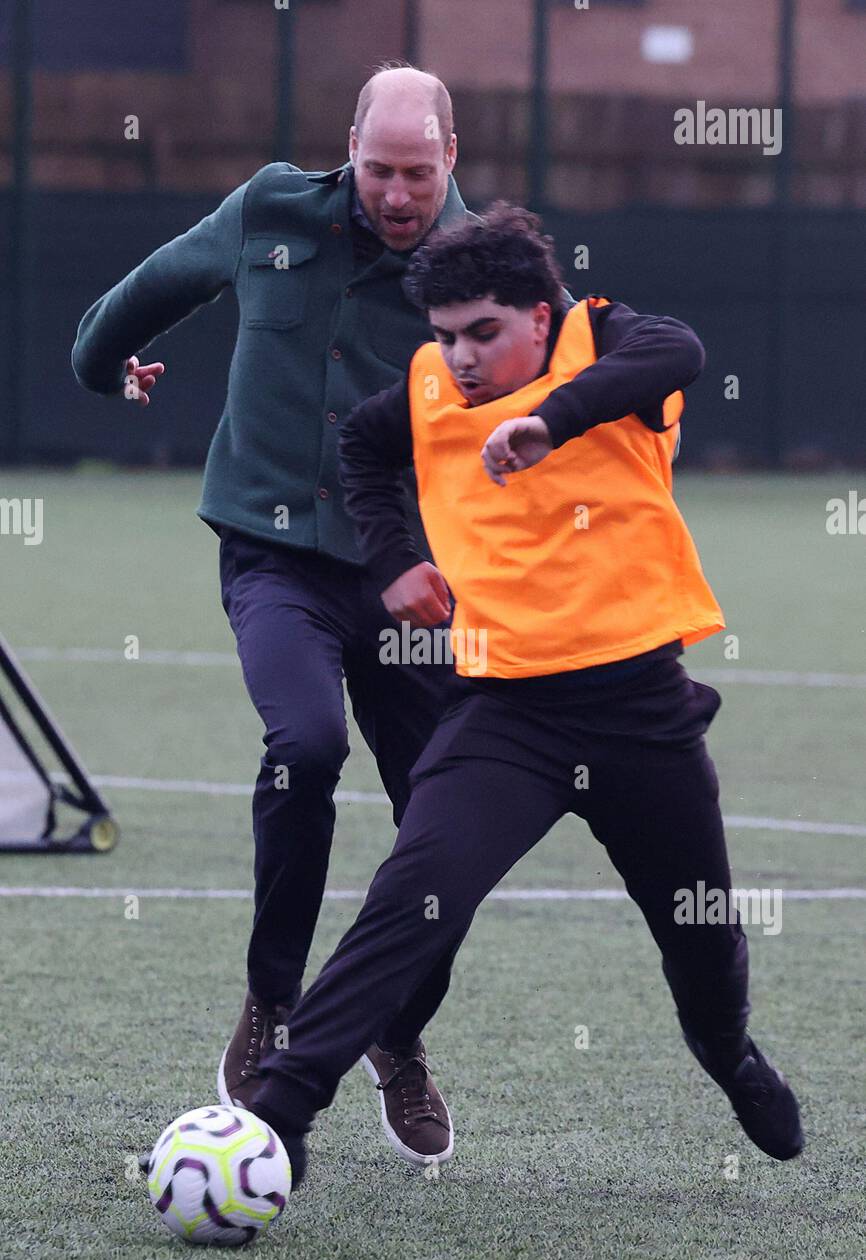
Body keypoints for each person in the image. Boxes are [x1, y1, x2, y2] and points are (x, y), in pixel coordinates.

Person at [247, 203, 804, 1186]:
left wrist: (549, 421)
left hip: (642, 713)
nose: (460, 357)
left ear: (540, 316)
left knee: (702, 940)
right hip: (505, 713)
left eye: (483, 332)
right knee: (408, 902)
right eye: (444, 334)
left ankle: (728, 1054)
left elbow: (680, 348)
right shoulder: (428, 386)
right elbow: (364, 452)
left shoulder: (609, 344)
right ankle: (278, 1113)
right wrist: (393, 560)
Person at [72, 63, 485, 1169]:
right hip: (276, 557)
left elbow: (554, 386)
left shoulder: (480, 263)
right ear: (349, 145)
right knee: (304, 746)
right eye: (379, 168)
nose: (397, 194)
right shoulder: (270, 208)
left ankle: (397, 1033)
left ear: (452, 157)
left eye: (419, 172)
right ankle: (272, 1003)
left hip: (410, 580)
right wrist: (105, 368)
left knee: (454, 819)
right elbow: (148, 290)